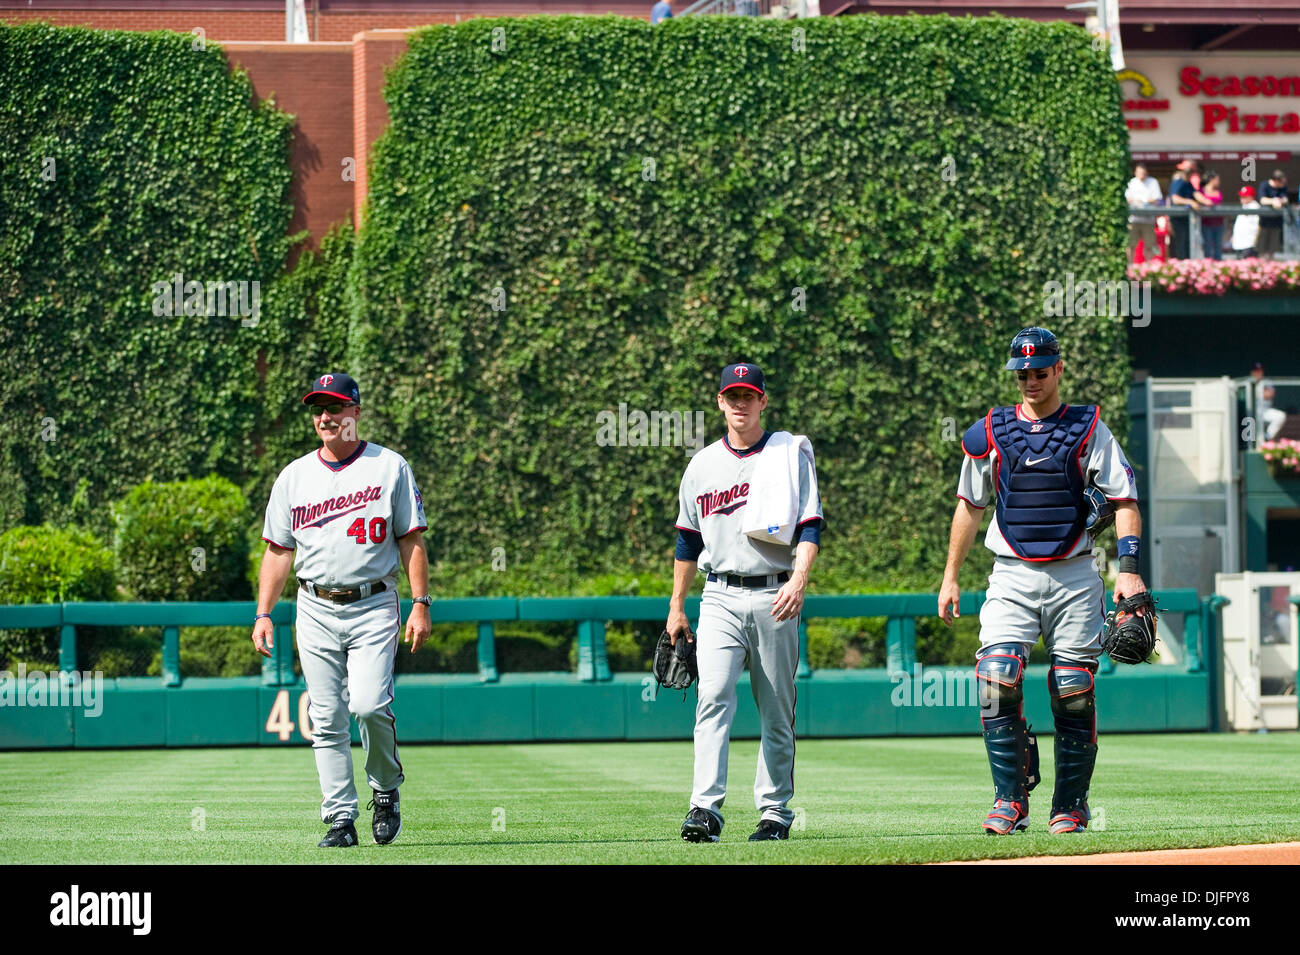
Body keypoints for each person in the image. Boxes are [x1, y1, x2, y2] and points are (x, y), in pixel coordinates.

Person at [938, 327, 1148, 835]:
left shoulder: (1088, 426)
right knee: (994, 680)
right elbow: (969, 505)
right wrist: (950, 577)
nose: (1031, 380)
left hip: (1076, 573)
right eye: (1023, 373)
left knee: (1074, 688)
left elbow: (1123, 501)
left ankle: (1070, 806)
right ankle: (1009, 799)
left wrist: (1131, 572)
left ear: (1058, 369)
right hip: (1010, 572)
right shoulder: (991, 430)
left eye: (1040, 371)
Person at [252, 372, 431, 848]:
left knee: (370, 704)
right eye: (317, 408)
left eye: (334, 407)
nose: (325, 417)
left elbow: (411, 538)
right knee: (327, 717)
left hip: (374, 602)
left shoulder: (389, 466)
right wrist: (264, 613)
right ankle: (340, 819)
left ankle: (386, 788)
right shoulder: (294, 476)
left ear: (355, 412)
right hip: (313, 605)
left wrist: (420, 603)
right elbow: (277, 551)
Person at [669, 363, 824, 843]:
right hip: (717, 595)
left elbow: (810, 525)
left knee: (776, 707)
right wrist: (677, 605)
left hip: (776, 591)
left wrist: (799, 577)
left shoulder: (787, 453)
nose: (740, 403)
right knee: (712, 697)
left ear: (763, 401)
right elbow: (686, 541)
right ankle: (705, 809)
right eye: (731, 394)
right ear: (719, 401)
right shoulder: (701, 465)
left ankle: (775, 812)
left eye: (748, 394)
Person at [1125, 164, 1162, 264]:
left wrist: (1142, 201)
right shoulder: (1132, 182)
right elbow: (1128, 199)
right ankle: (1130, 266)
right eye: (1140, 173)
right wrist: (1143, 201)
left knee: (1149, 245)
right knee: (1130, 244)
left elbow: (1157, 199)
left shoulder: (1153, 182)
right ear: (1135, 173)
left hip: (1148, 220)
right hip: (1133, 220)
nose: (1142, 175)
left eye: (1143, 173)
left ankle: (1148, 268)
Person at [1167, 161, 1201, 259]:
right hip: (1178, 218)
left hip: (1186, 218)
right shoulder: (1178, 180)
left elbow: (1196, 194)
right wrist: (1190, 202)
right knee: (1180, 243)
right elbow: (1175, 199)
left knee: (1187, 242)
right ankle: (1181, 265)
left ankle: (1187, 264)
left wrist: (1208, 202)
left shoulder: (1188, 183)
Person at [1250, 362, 1287, 441]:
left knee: (1280, 416)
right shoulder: (1248, 383)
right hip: (1251, 413)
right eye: (1256, 371)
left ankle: (1268, 436)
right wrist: (1261, 392)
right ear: (1252, 372)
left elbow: (1270, 394)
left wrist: (1258, 392)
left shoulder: (1266, 382)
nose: (1258, 373)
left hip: (1264, 411)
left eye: (1260, 371)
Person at [1258, 170, 1290, 260]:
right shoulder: (1264, 185)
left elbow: (1285, 199)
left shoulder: (1282, 188)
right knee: (1262, 248)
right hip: (1264, 222)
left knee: (1272, 249)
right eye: (1281, 182)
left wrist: (1280, 201)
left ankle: (1271, 267)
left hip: (1276, 222)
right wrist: (1273, 201)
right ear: (1276, 180)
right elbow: (1262, 200)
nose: (1283, 184)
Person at [1196, 170, 1225, 260]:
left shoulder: (1218, 192)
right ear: (1212, 180)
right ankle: (1208, 264)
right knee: (1207, 245)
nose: (1219, 182)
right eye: (1217, 180)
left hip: (1219, 223)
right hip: (1206, 223)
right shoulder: (1201, 191)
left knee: (1218, 245)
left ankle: (1218, 265)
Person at [1231, 186, 1260, 259]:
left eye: (1244, 197)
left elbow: (1258, 226)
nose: (1241, 199)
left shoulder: (1255, 207)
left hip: (1249, 242)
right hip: (1240, 242)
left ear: (1251, 197)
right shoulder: (1244, 206)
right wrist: (1234, 236)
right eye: (1241, 196)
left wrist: (1256, 239)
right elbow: (1239, 224)